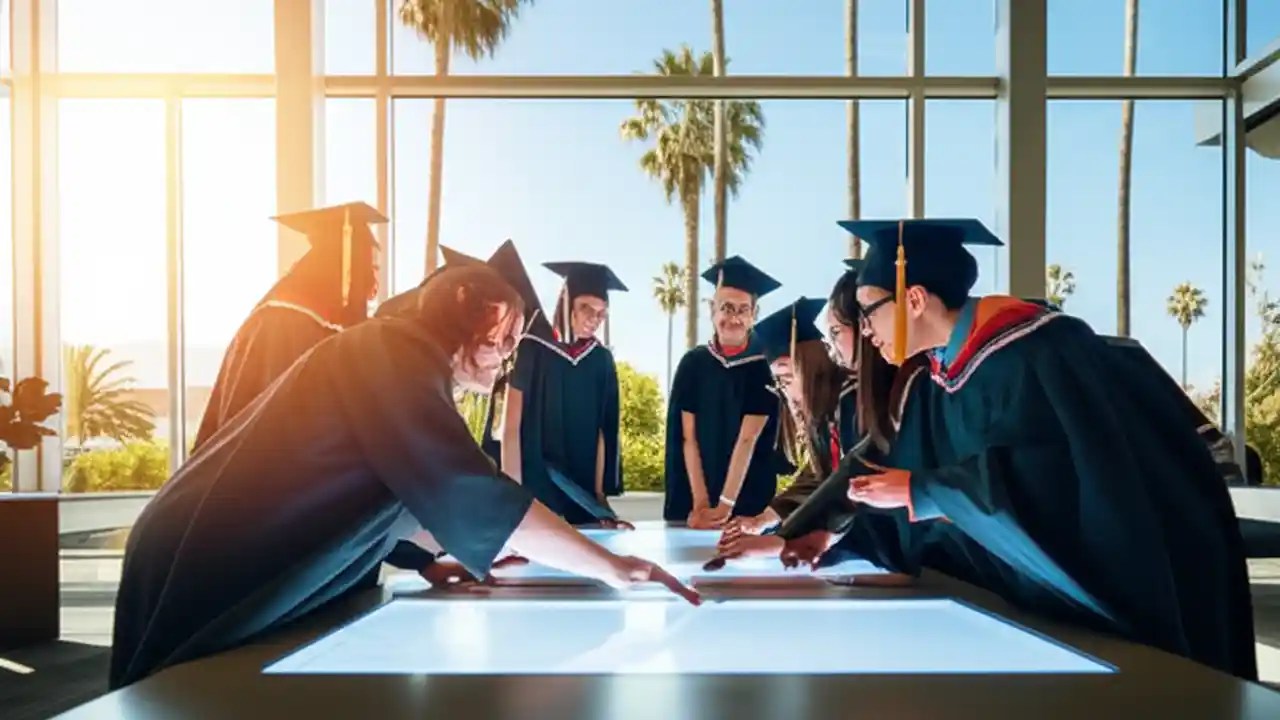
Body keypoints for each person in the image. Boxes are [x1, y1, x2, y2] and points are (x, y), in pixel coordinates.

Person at [109, 264, 699, 690]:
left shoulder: (401, 358)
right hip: (206, 546)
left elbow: (380, 488)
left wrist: (426, 561)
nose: (508, 354)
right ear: (469, 306)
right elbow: (461, 487)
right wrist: (613, 567)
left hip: (217, 536)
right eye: (507, 335)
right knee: (178, 695)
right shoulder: (392, 350)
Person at [840, 217, 1257, 680]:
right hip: (1027, 611)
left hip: (1126, 591)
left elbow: (1053, 483)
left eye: (868, 311)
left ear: (913, 299)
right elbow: (911, 485)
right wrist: (831, 540)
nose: (866, 330)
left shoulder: (1041, 352)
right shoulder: (934, 381)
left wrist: (926, 490)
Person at [192, 202, 389, 452]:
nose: (372, 282)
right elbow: (287, 425)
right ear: (343, 267)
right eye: (369, 268)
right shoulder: (284, 323)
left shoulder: (303, 320)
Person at [715, 295, 855, 558]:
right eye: (778, 383)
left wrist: (785, 541)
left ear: (812, 366)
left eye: (787, 378)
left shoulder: (853, 406)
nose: (786, 393)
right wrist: (763, 520)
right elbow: (816, 476)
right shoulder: (824, 418)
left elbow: (850, 488)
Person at [500, 261, 632, 528]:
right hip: (533, 487)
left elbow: (603, 434)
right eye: (586, 308)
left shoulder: (601, 360)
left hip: (580, 495)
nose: (594, 319)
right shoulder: (531, 348)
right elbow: (510, 428)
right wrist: (511, 498)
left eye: (601, 313)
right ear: (566, 301)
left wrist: (598, 499)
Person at [663, 256, 783, 528]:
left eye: (743, 309)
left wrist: (723, 508)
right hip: (694, 500)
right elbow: (687, 438)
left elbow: (748, 439)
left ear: (754, 315)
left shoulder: (763, 367)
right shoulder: (693, 363)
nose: (734, 318)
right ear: (712, 311)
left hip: (746, 505)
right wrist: (702, 504)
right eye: (726, 308)